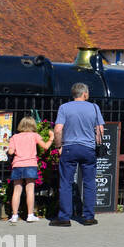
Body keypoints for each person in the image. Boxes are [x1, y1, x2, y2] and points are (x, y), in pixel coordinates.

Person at [52, 83, 105, 226]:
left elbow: (57, 130)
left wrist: (58, 146)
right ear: (85, 94)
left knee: (65, 183)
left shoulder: (64, 108)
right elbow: (100, 130)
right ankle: (88, 217)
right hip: (88, 148)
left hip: (69, 148)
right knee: (89, 183)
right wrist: (96, 144)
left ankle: (64, 218)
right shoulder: (94, 107)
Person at [6, 117, 52, 223]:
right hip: (30, 164)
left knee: (17, 191)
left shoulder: (15, 137)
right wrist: (51, 137)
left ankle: (14, 216)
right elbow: (45, 146)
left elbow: (11, 152)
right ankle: (30, 215)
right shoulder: (34, 136)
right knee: (30, 190)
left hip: (17, 164)